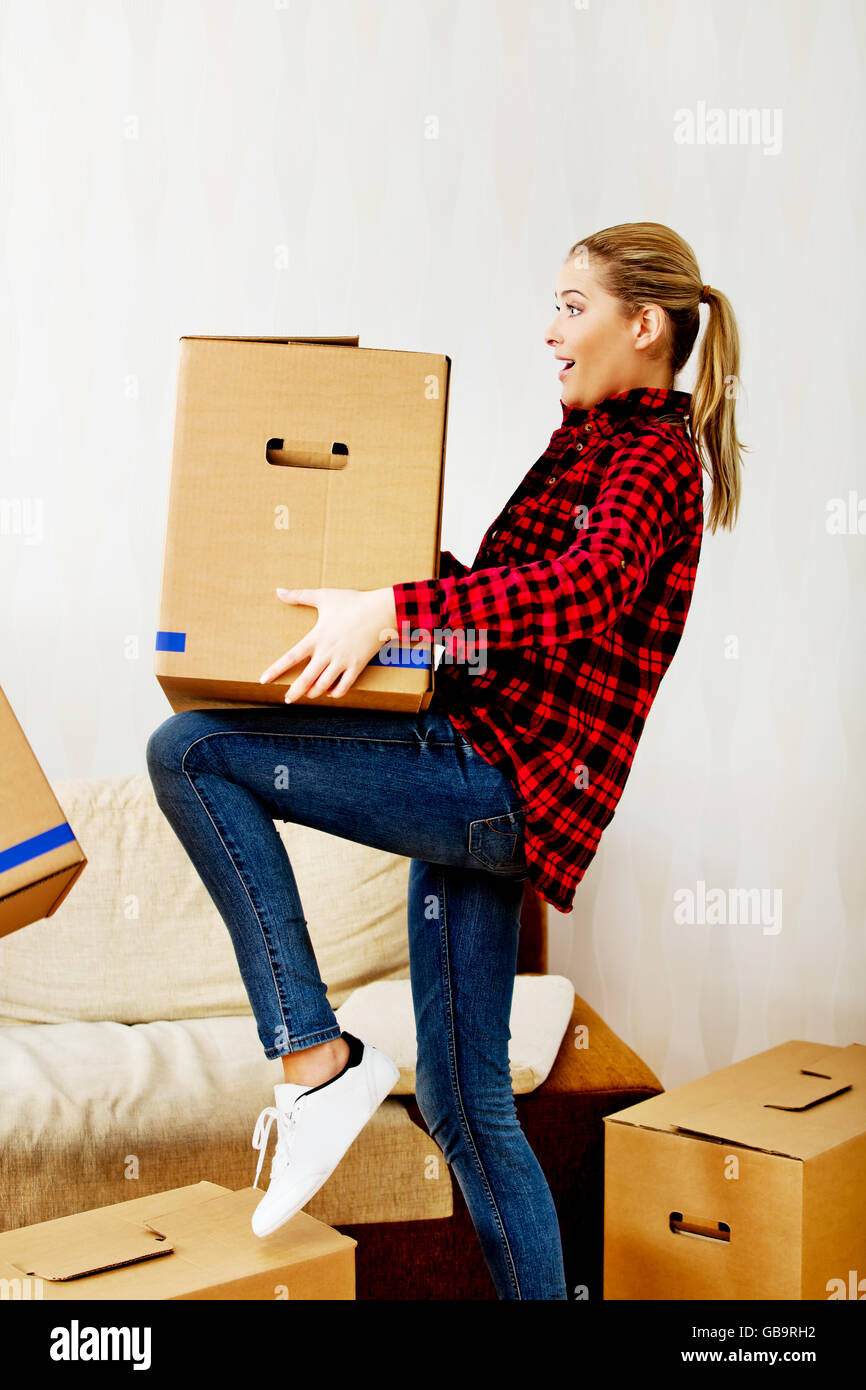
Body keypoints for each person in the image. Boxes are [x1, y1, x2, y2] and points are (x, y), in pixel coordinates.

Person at [146, 220, 745, 1300]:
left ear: (642, 324)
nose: (550, 331)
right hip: (489, 781)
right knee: (469, 1106)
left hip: (494, 780)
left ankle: (313, 1061)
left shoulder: (652, 457)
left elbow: (584, 593)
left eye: (572, 305)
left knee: (191, 753)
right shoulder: (586, 443)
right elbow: (496, 629)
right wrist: (383, 562)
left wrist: (390, 608)